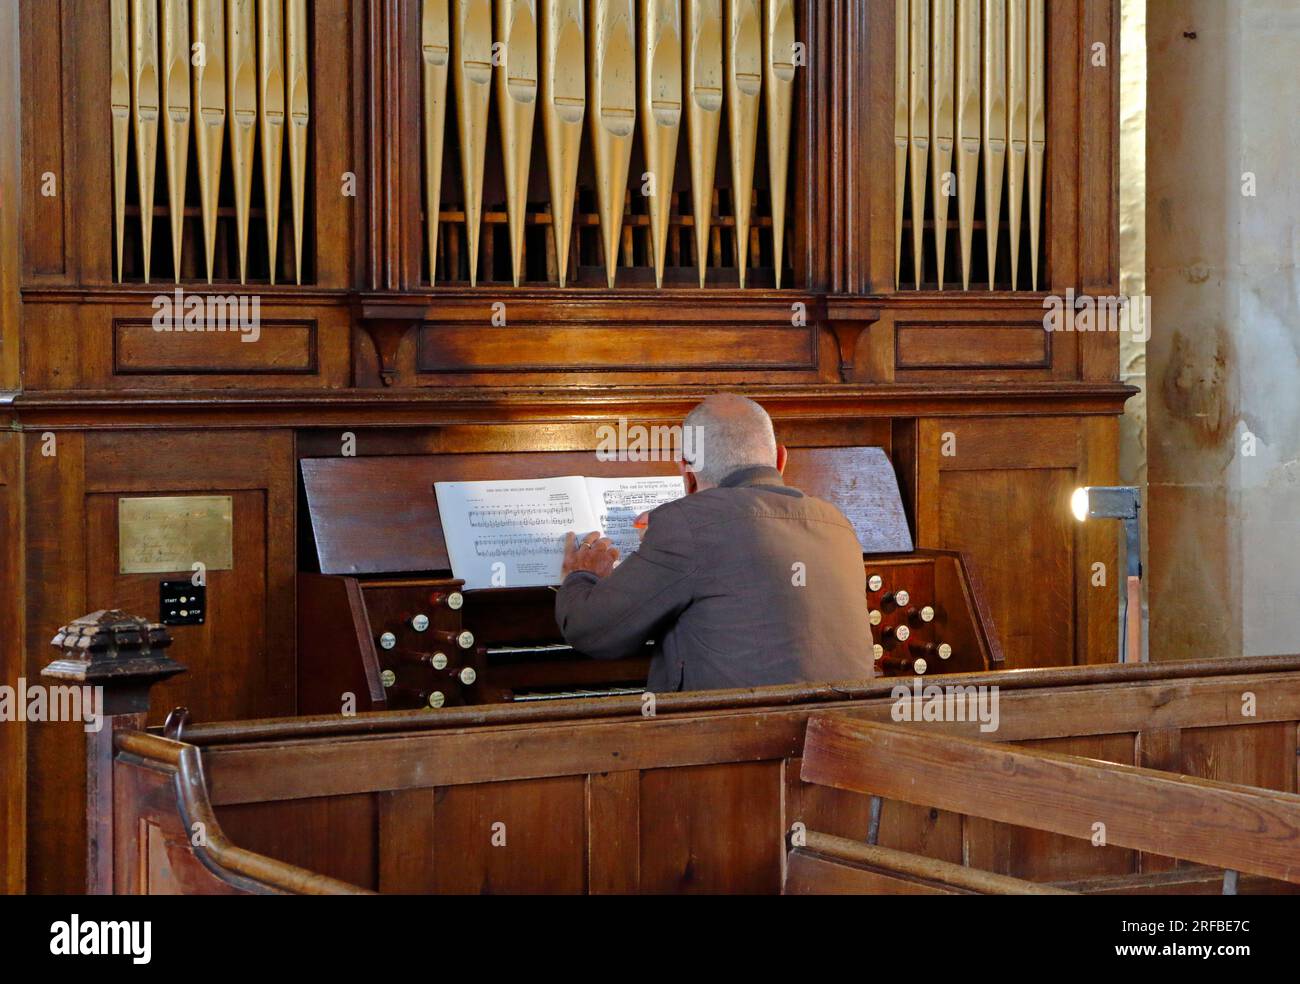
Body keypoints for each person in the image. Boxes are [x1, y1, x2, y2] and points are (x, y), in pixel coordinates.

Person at [555, 394, 875, 691]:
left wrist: (581, 575)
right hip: (843, 740)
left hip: (739, 745)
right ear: (780, 460)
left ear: (688, 474)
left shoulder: (687, 523)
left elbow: (592, 632)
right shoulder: (838, 525)